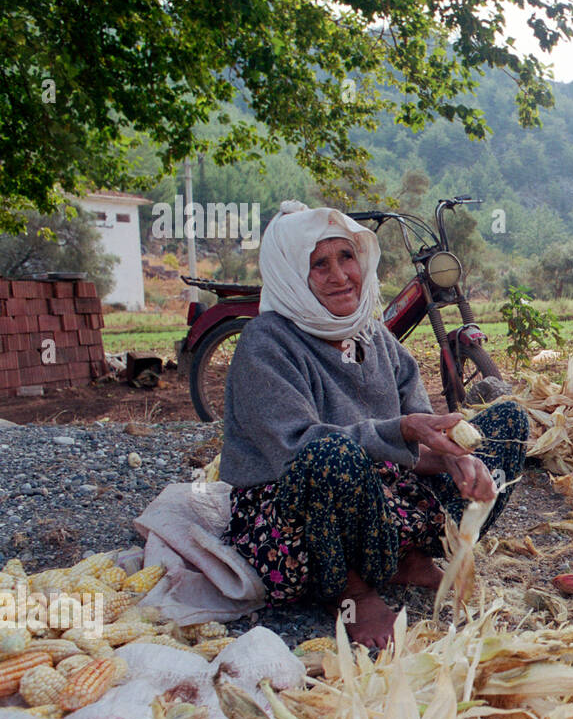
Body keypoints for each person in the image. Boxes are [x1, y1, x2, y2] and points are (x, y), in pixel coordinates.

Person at [218, 201, 529, 647]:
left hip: (382, 502)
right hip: (294, 518)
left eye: (346, 257)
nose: (340, 275)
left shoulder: (375, 336)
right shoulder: (266, 343)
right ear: (290, 274)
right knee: (330, 455)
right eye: (318, 264)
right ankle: (352, 592)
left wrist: (453, 460)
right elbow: (295, 449)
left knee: (509, 421)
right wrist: (400, 429)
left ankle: (406, 558)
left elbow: (418, 442)